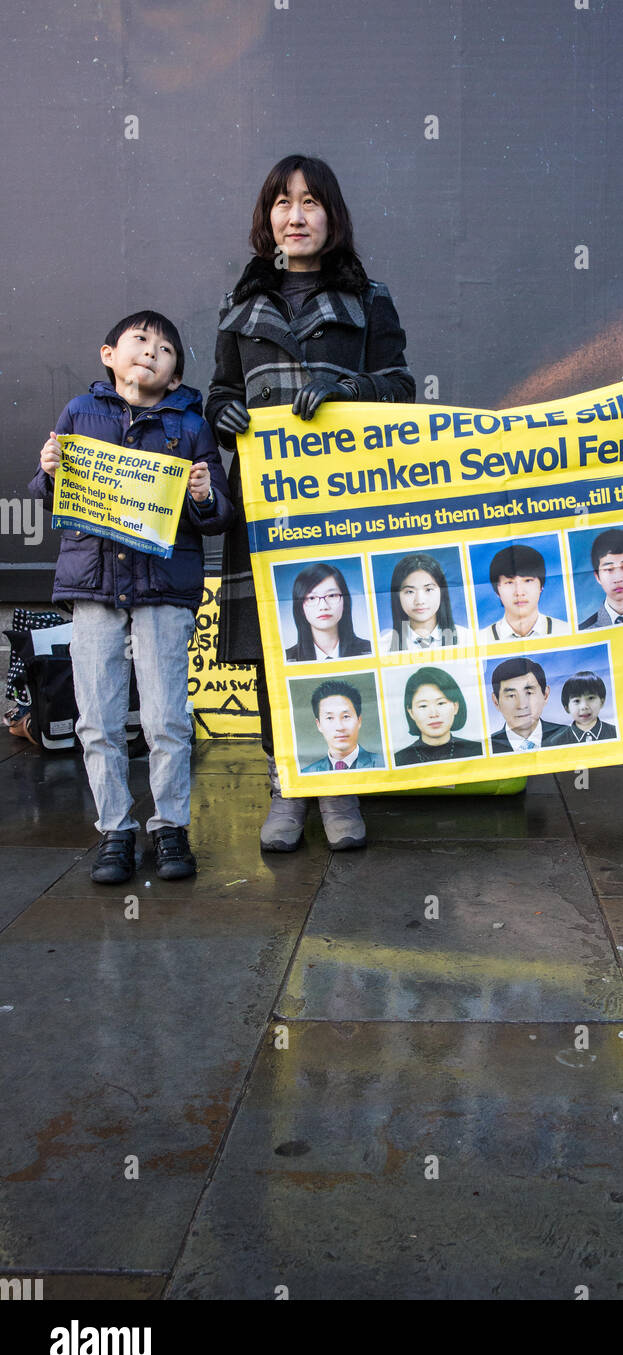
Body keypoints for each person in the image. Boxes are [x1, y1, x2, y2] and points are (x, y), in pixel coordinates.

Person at [206, 154, 414, 852]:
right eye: (282, 203)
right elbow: (219, 391)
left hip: (341, 503)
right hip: (265, 507)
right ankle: (288, 784)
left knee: (337, 639)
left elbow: (401, 386)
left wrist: (351, 394)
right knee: (276, 647)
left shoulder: (369, 299)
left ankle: (341, 787)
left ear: (332, 215)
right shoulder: (239, 306)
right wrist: (225, 412)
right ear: (267, 220)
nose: (296, 216)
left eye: (310, 202)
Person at [29, 311, 233, 884]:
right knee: (97, 717)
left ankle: (170, 825)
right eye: (139, 341)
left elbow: (217, 514)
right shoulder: (79, 412)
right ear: (108, 354)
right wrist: (48, 473)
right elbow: (55, 495)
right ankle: (115, 829)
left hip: (164, 589)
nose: (150, 351)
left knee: (167, 717)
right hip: (92, 587)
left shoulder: (192, 427)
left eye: (165, 349)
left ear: (173, 377)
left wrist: (202, 493)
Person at [379, 552, 472, 651]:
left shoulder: (467, 639)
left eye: (428, 589)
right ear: (397, 596)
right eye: (410, 591)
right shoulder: (383, 647)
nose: (419, 601)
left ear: (441, 591)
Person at [393, 667, 483, 764]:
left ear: (455, 707)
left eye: (441, 703)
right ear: (411, 713)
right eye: (423, 706)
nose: (433, 714)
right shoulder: (398, 760)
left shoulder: (479, 751)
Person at [284, 562, 371, 662]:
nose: (323, 606)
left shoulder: (369, 650)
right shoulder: (287, 658)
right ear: (300, 608)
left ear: (345, 602)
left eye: (332, 595)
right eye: (312, 598)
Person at [484, 543, 569, 641]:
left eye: (528, 580)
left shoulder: (565, 631)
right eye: (509, 582)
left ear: (541, 586)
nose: (519, 592)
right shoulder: (482, 639)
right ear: (497, 590)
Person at [301, 680, 382, 776]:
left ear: (359, 720)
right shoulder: (307, 774)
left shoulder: (383, 764)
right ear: (319, 725)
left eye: (346, 716)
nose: (339, 727)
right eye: (330, 718)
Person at [488, 657, 564, 753]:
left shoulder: (569, 736)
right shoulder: (487, 747)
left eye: (529, 693)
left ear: (545, 695)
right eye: (511, 695)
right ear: (496, 702)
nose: (522, 705)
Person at [548, 671, 617, 744]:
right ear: (566, 708)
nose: (584, 707)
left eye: (590, 698)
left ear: (602, 702)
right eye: (577, 701)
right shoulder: (557, 742)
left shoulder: (615, 732)